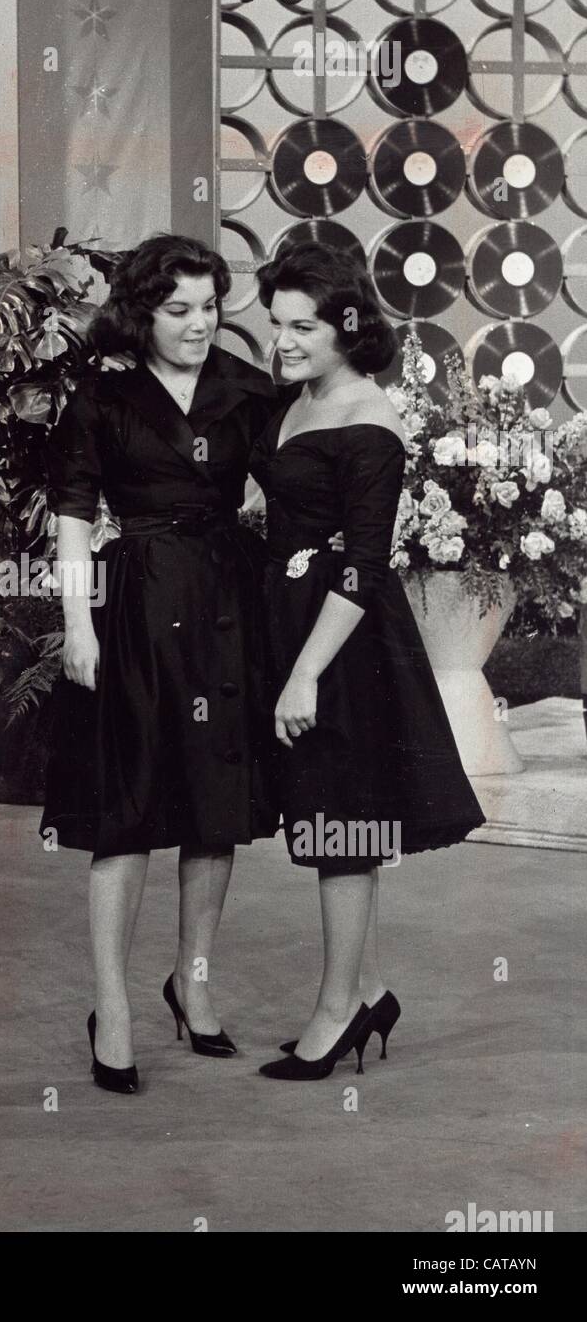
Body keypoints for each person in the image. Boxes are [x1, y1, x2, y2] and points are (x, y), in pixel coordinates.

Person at [41, 233, 304, 1094]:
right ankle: (111, 1005)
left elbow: (299, 479)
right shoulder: (102, 397)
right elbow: (74, 517)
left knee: (214, 808)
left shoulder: (250, 391)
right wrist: (77, 625)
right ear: (141, 314)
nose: (200, 324)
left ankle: (192, 984)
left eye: (210, 307)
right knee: (127, 809)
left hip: (230, 605)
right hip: (138, 608)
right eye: (178, 310)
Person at [248, 241, 486, 1080]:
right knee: (330, 818)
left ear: (349, 328)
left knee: (341, 829)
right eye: (276, 324)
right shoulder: (293, 401)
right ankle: (370, 989)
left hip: (344, 647)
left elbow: (364, 564)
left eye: (303, 327)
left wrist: (306, 671)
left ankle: (337, 1010)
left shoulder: (370, 420)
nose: (283, 341)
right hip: (298, 627)